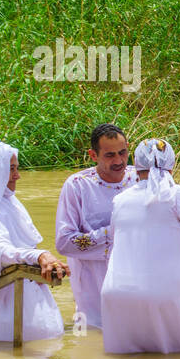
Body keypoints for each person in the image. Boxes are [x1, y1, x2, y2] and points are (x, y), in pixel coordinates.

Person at [101, 139, 180, 354]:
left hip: (117, 294)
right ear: (171, 165)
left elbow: (115, 241)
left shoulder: (120, 199)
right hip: (165, 295)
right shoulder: (178, 195)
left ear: (136, 165)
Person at [0, 142, 69, 343]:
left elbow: (27, 246)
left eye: (16, 168)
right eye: (11, 169)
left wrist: (51, 263)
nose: (17, 175)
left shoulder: (10, 202)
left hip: (28, 291)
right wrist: (38, 255)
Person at [54, 123, 137, 330]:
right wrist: (114, 232)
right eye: (109, 155)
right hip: (92, 286)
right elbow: (65, 242)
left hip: (136, 281)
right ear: (93, 155)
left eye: (122, 152)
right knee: (91, 341)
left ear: (128, 147)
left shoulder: (140, 179)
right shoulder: (77, 186)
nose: (118, 161)